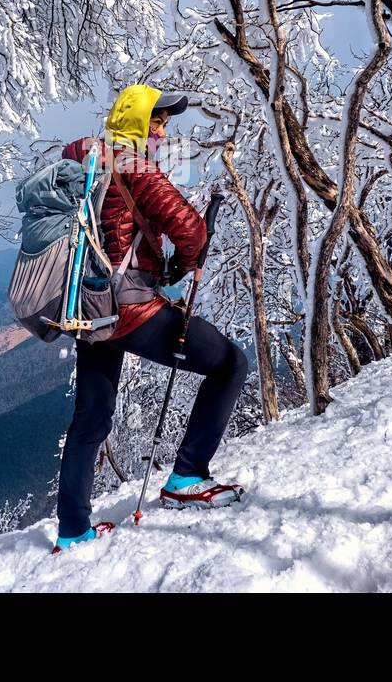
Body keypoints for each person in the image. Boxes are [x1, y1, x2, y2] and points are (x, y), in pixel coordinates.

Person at [53, 84, 248, 553]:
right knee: (230, 364)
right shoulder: (137, 165)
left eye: (164, 123)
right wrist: (180, 268)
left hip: (88, 308)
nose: (162, 131)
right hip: (131, 309)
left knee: (91, 417)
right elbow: (191, 229)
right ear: (138, 122)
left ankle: (73, 530)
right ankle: (186, 477)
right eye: (156, 121)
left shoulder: (80, 156)